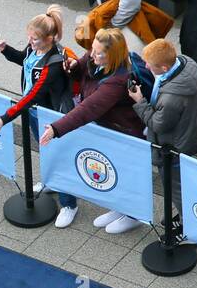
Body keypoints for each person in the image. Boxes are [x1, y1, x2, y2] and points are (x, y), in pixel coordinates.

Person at [40, 28, 145, 234]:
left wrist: (56, 128)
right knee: (115, 170)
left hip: (124, 131)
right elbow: (82, 68)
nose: (93, 55)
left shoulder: (118, 80)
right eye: (92, 50)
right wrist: (73, 67)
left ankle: (134, 215)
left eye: (99, 53)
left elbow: (87, 110)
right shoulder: (96, 55)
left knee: (124, 172)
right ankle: (120, 208)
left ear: (112, 55)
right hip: (108, 127)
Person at [0, 6, 77, 224]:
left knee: (56, 156)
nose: (30, 41)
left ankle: (69, 204)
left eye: (35, 39)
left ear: (51, 38)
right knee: (46, 153)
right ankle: (52, 182)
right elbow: (24, 59)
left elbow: (33, 95)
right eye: (30, 37)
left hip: (50, 116)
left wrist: (5, 118)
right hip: (35, 112)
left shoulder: (53, 63)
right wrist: (5, 50)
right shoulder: (35, 48)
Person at [128, 38, 197, 235]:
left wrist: (140, 101)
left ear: (164, 67)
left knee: (176, 188)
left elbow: (158, 123)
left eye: (150, 64)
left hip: (173, 147)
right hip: (191, 133)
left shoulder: (172, 98)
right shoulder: (186, 63)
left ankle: (188, 227)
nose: (145, 66)